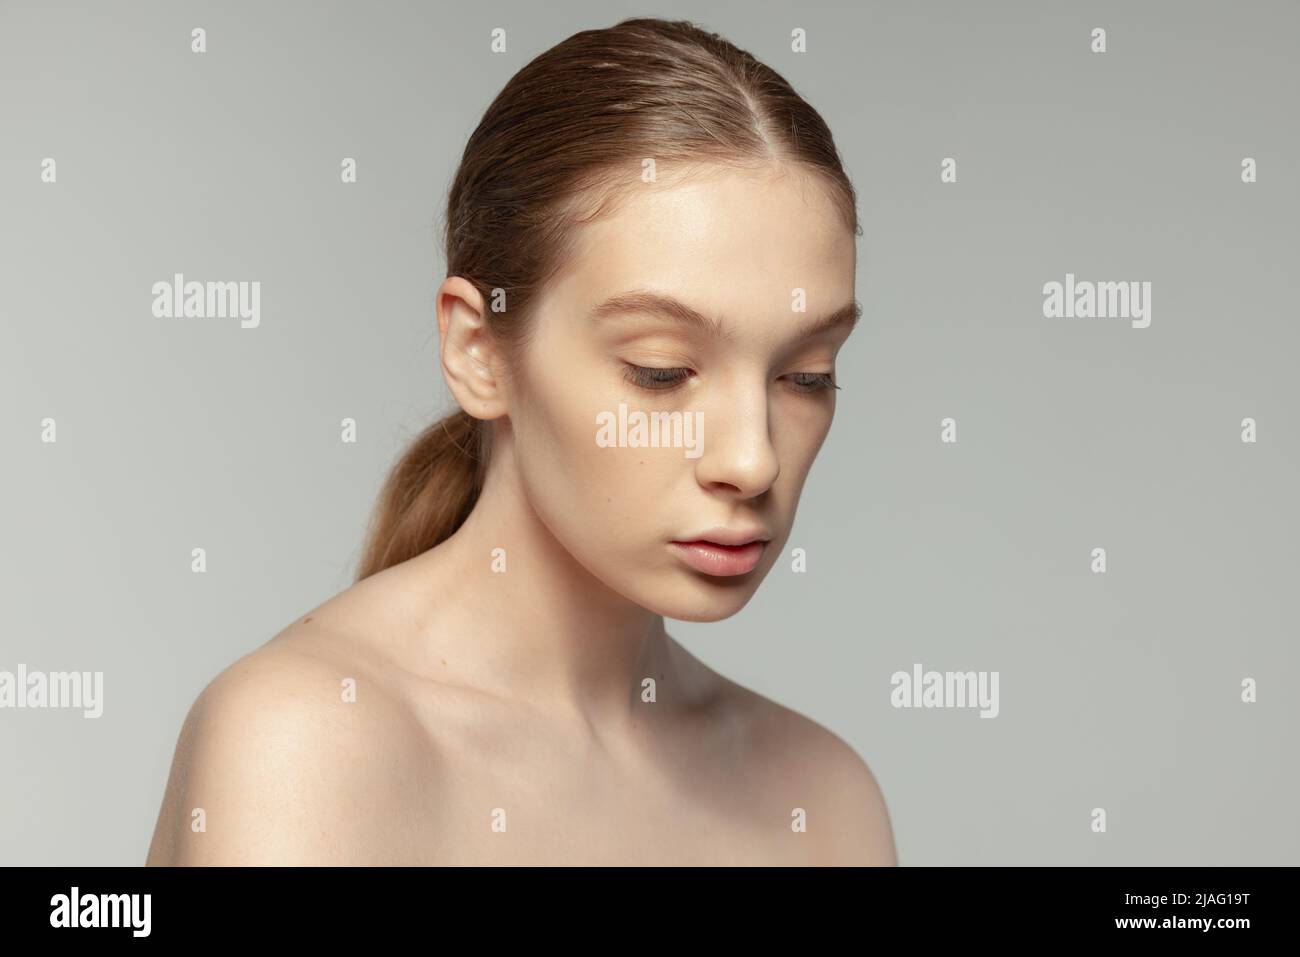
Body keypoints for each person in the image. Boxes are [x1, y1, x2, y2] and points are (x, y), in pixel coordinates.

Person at [146, 16, 897, 866]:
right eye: (660, 370)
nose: (751, 460)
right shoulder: (305, 743)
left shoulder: (825, 801)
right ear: (479, 350)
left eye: (806, 374)